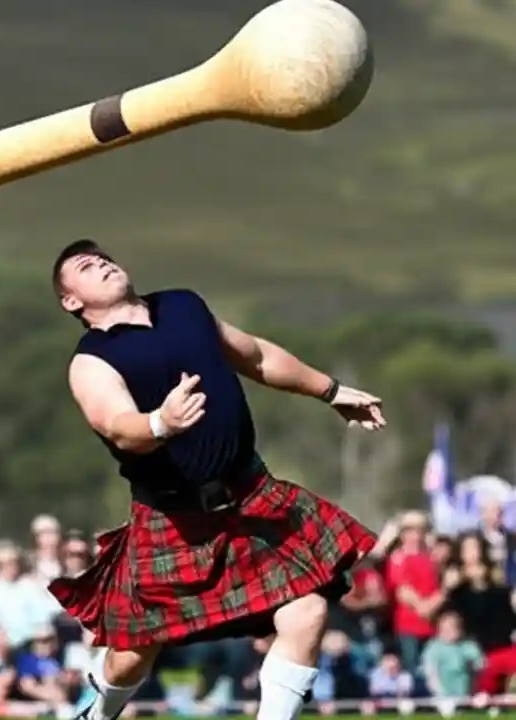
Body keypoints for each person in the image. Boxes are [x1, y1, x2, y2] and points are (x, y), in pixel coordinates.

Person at [45, 240, 383, 720]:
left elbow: (257, 356)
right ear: (71, 302)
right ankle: (97, 711)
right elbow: (117, 425)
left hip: (252, 497)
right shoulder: (91, 361)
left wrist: (330, 390)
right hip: (175, 517)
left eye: (103, 257)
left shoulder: (183, 304)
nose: (101, 262)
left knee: (308, 611)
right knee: (134, 652)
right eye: (85, 266)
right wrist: (160, 422)